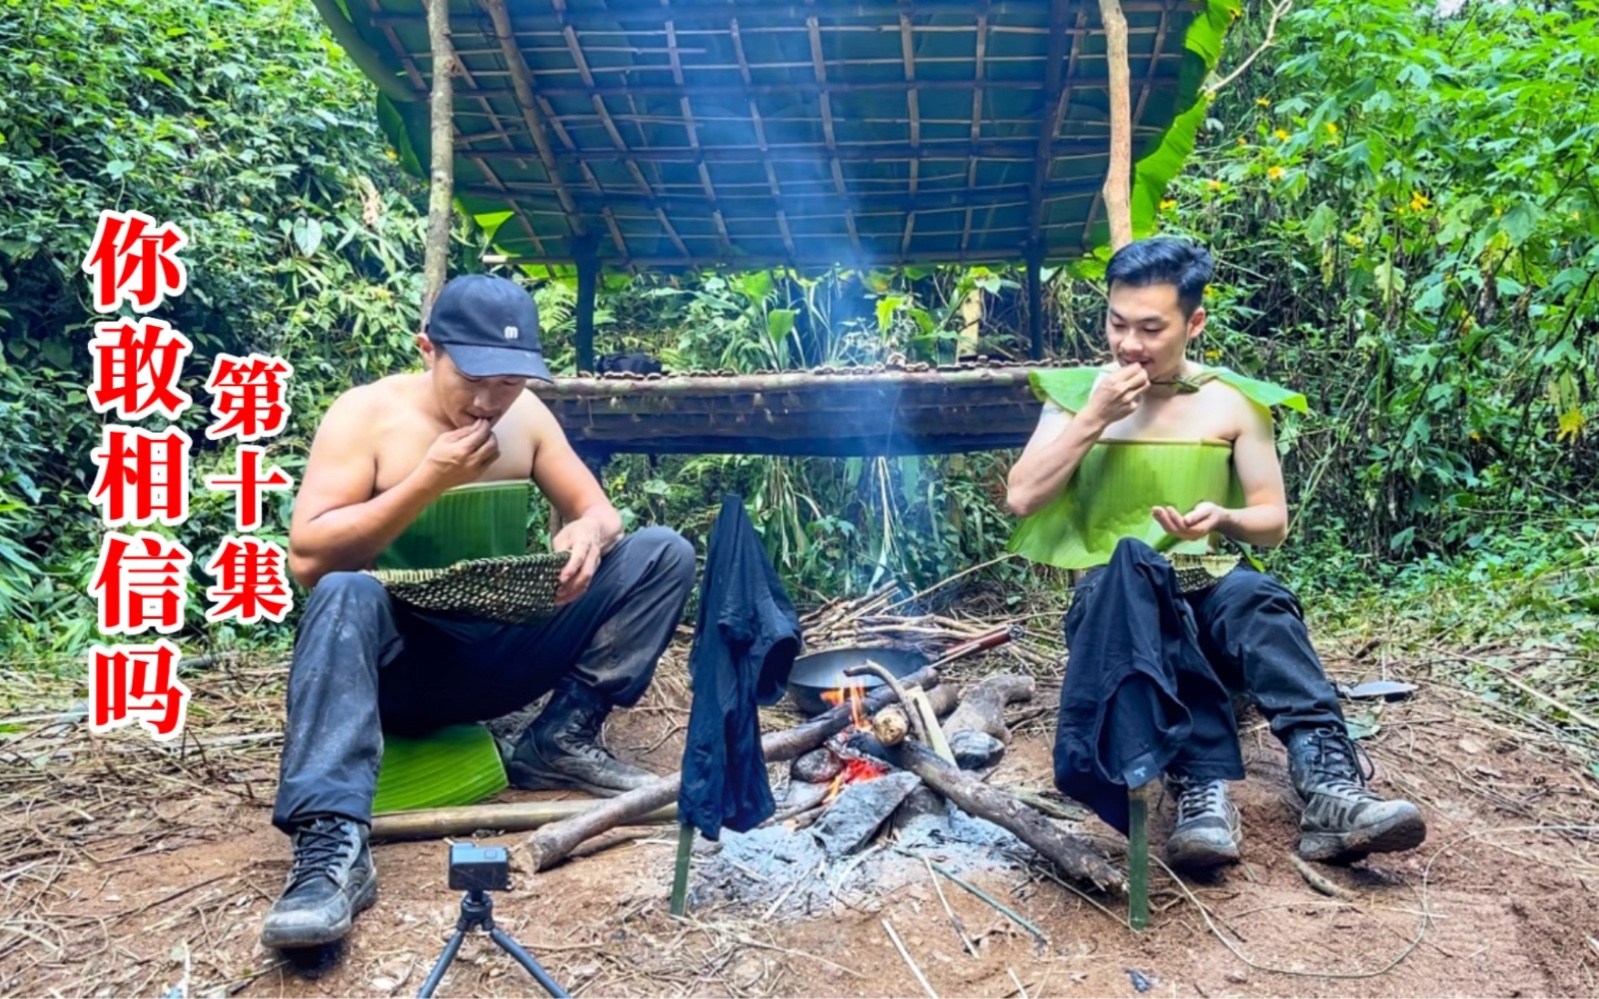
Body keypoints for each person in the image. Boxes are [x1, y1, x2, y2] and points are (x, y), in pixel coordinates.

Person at [260, 274, 695, 949]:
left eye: (510, 383)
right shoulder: (366, 415)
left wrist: (587, 532)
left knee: (661, 551)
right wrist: (427, 480)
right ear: (428, 348)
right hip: (399, 669)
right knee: (347, 590)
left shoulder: (524, 418)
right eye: (476, 378)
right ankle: (329, 846)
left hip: (498, 651)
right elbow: (308, 561)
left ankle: (558, 738)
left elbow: (597, 508)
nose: (490, 400)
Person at [1006, 238, 1425, 870]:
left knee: (1258, 595)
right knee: (1130, 574)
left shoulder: (1232, 402)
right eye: (1118, 323)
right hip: (1118, 614)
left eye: (1151, 328)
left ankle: (1332, 790)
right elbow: (1023, 497)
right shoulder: (1072, 397)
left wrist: (1224, 516)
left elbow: (1272, 522)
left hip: (1210, 592)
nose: (1129, 344)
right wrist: (1092, 418)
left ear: (1194, 322)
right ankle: (1201, 790)